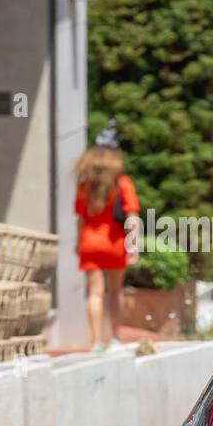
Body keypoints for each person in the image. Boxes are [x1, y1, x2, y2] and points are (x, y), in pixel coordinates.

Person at [73, 121, 140, 351]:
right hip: (115, 244)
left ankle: (95, 342)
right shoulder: (123, 183)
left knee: (94, 293)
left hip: (89, 244)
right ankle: (113, 338)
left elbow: (80, 219)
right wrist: (134, 245)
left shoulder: (85, 185)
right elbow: (132, 218)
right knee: (114, 292)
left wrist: (77, 242)